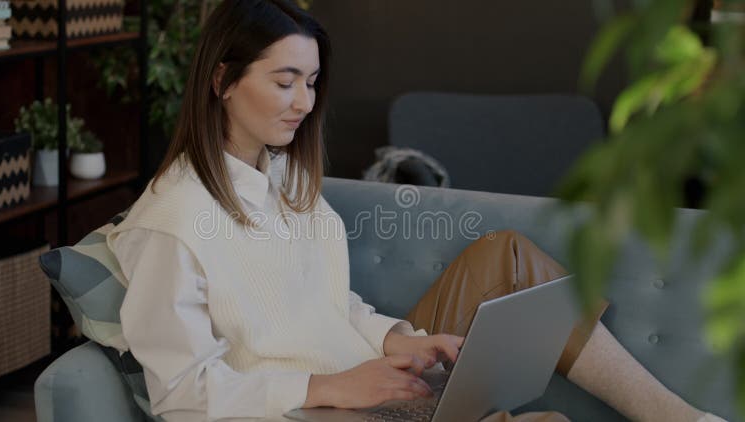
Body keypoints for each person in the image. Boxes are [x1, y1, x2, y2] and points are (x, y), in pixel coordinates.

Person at [106, 1, 728, 421]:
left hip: (357, 378)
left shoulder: (286, 174)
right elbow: (179, 393)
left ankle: (679, 417)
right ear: (221, 81)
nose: (303, 101)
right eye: (284, 79)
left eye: (313, 81)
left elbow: (326, 302)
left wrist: (399, 338)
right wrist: (329, 388)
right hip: (302, 409)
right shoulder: (173, 222)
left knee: (506, 255)